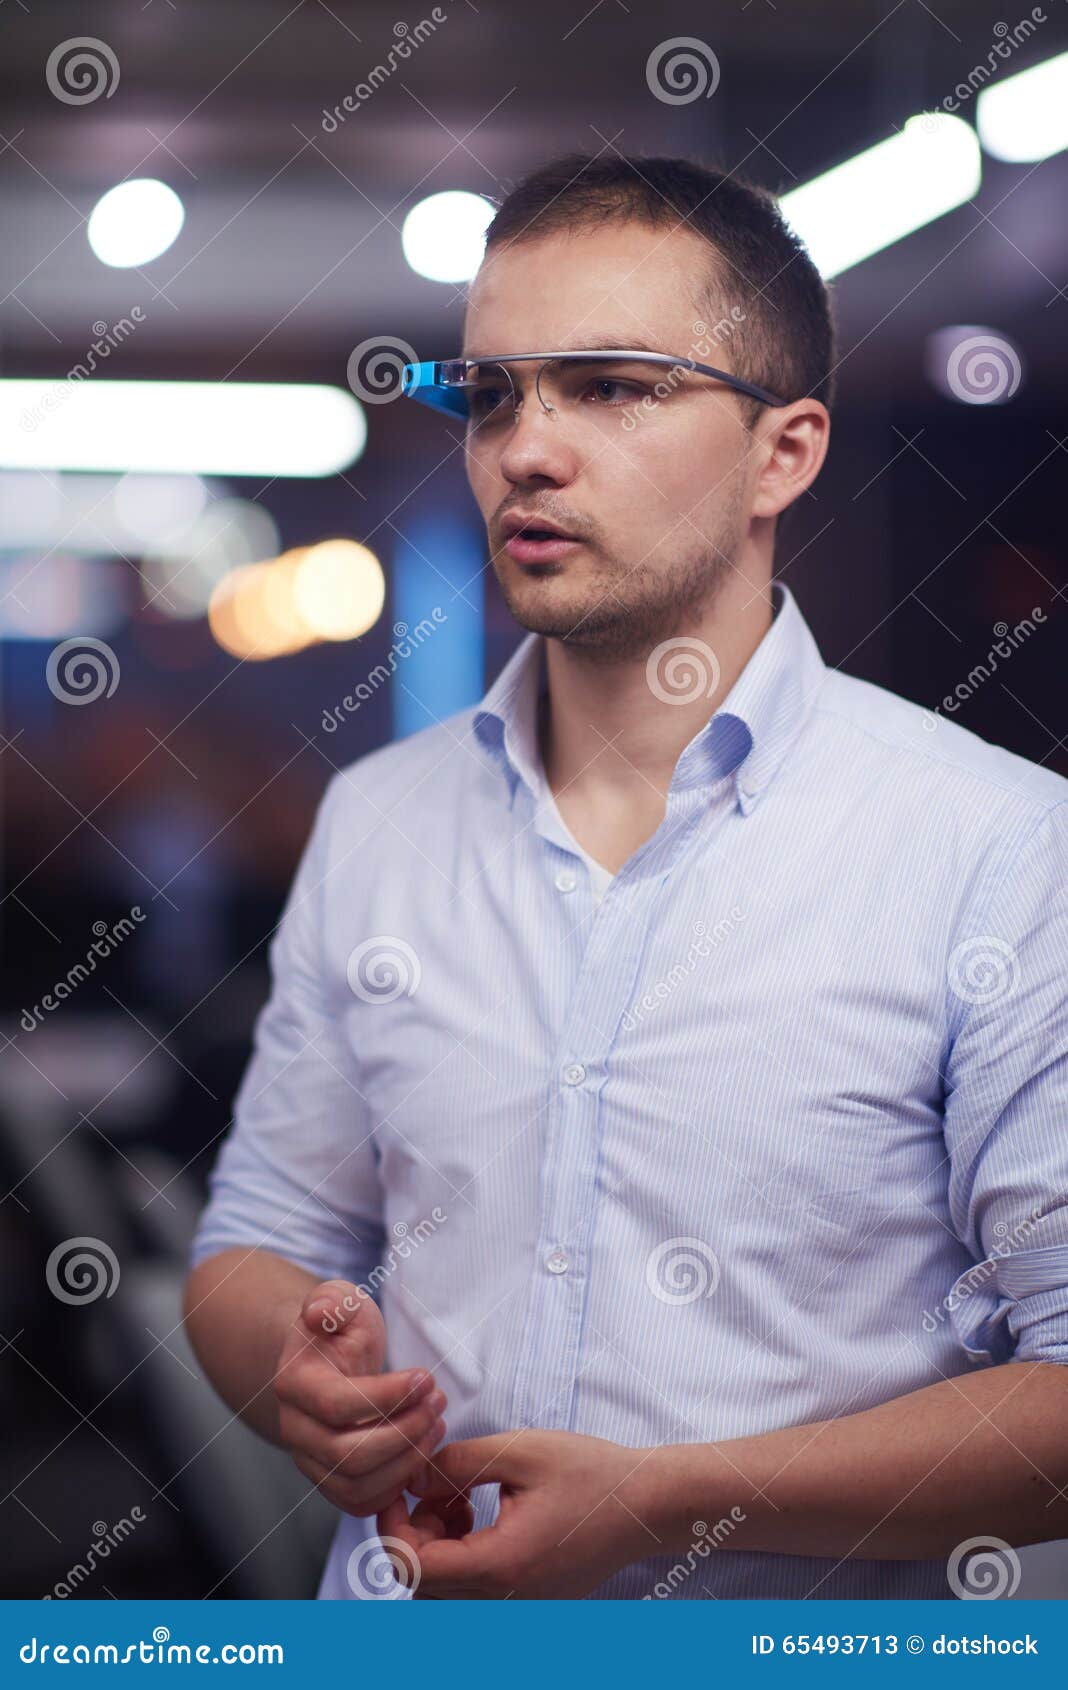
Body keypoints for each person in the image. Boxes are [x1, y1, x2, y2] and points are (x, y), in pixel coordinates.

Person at [183, 153, 1068, 1601]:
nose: (525, 450)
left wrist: (667, 1503)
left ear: (783, 453)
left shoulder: (997, 847)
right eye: (493, 395)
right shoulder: (380, 822)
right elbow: (255, 1243)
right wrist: (299, 1373)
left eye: (609, 387)